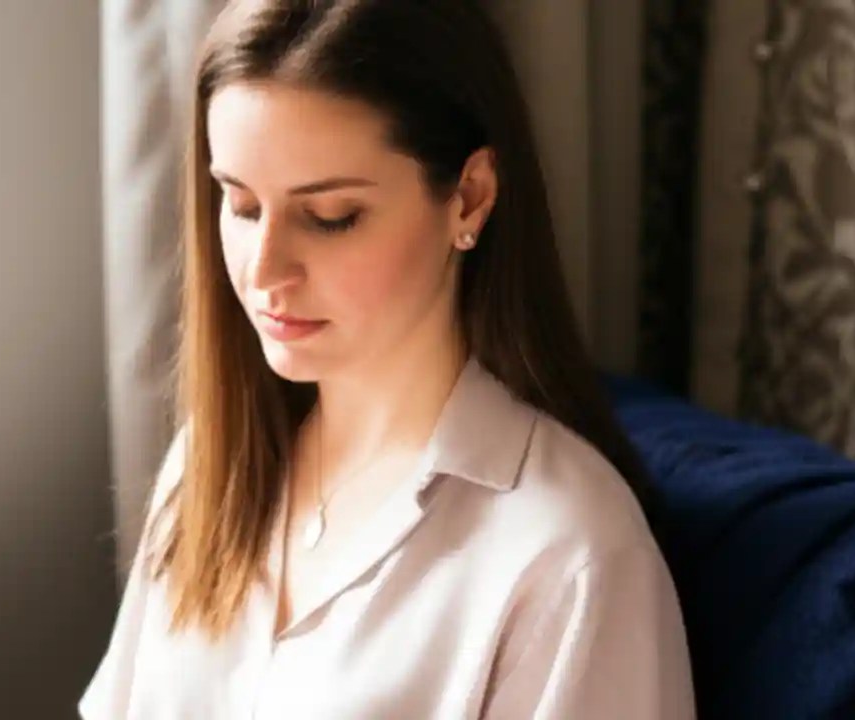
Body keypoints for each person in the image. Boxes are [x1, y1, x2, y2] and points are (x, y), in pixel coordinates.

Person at [81, 0, 696, 717]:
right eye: (242, 206)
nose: (263, 270)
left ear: (469, 198)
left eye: (331, 217)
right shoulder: (208, 466)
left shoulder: (569, 556)